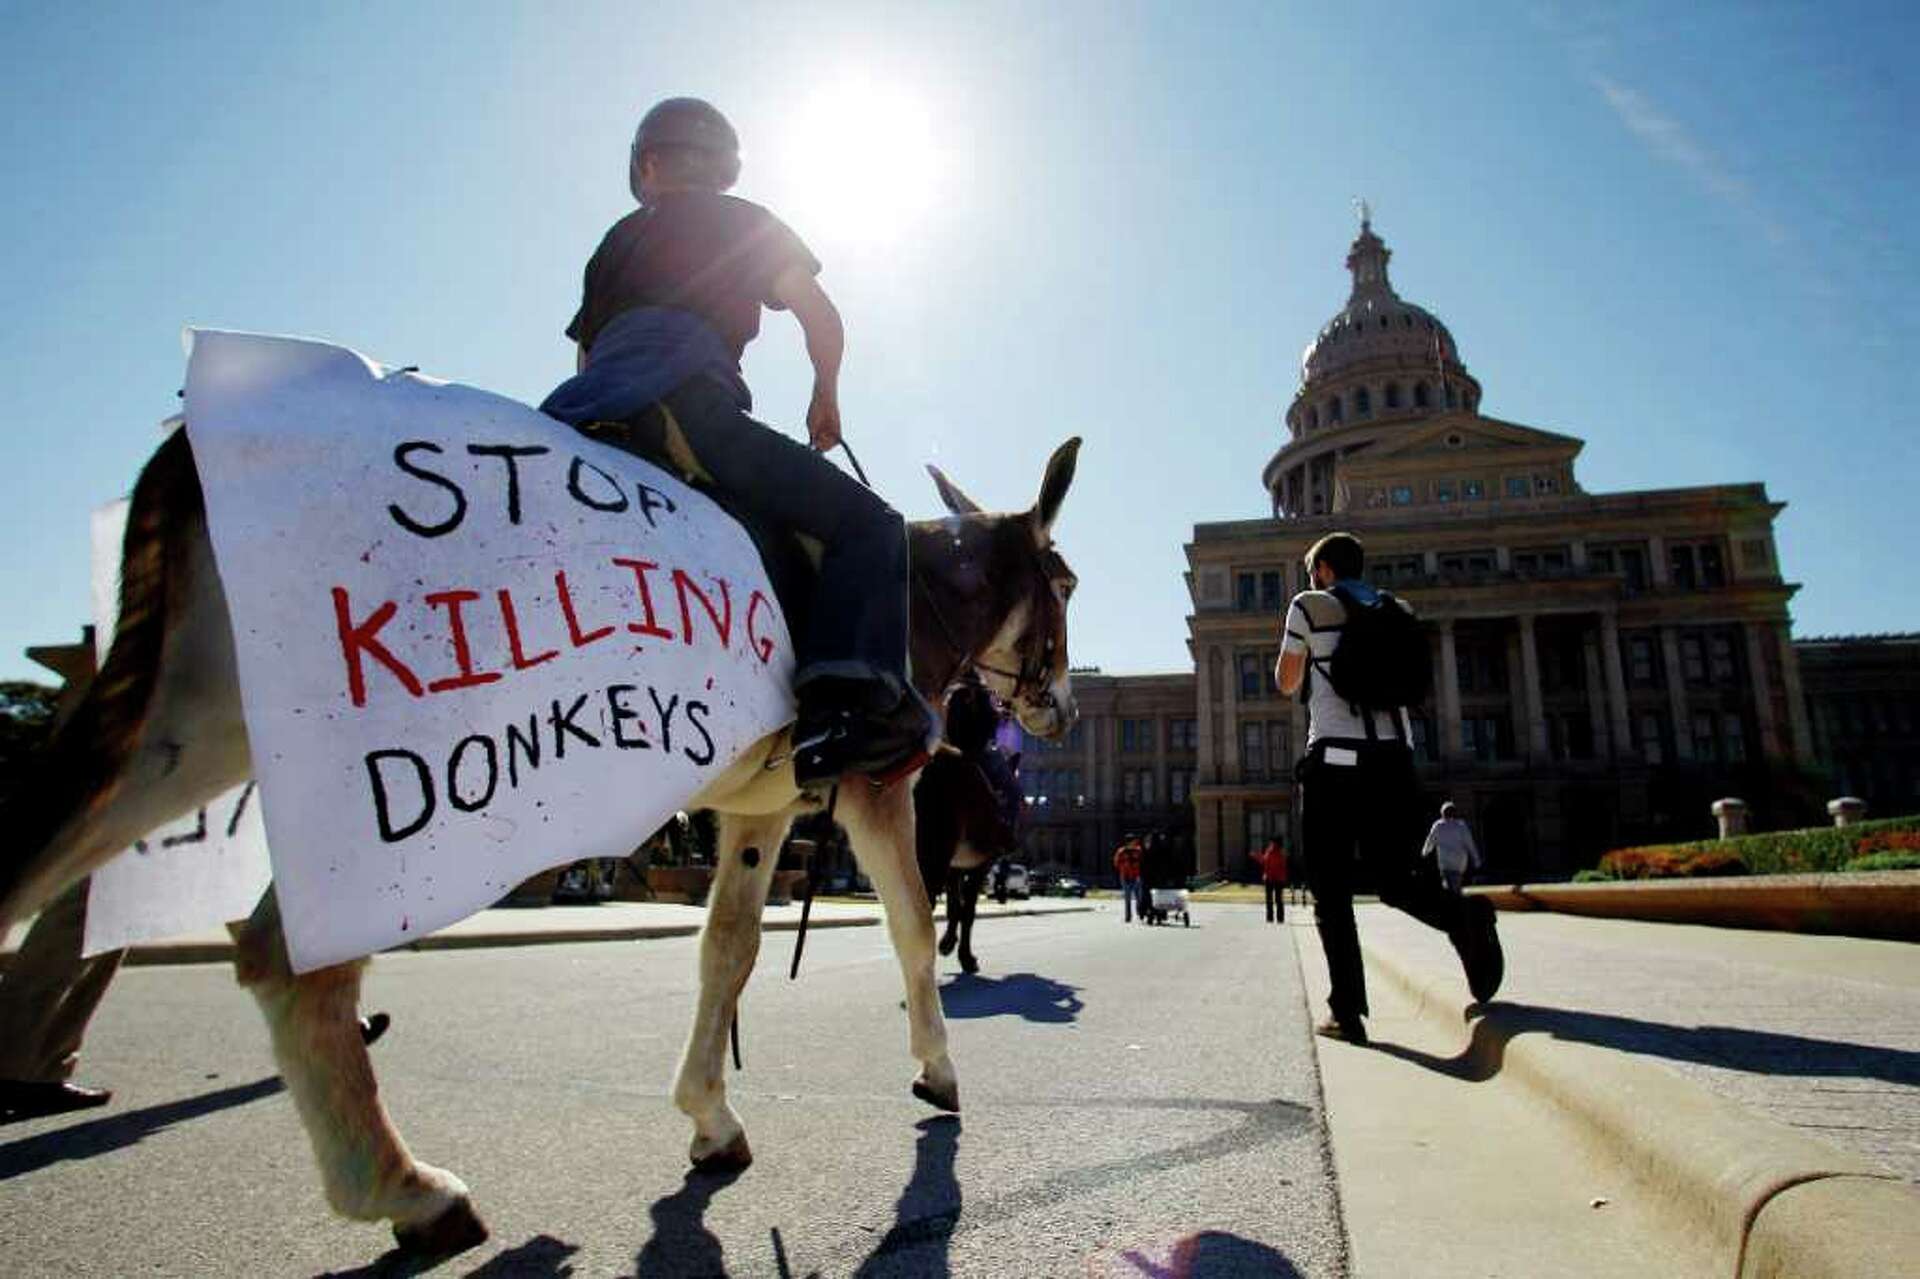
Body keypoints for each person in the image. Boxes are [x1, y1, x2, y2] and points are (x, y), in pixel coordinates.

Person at [540, 97, 932, 787]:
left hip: (576, 418)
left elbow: (586, 359)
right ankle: (837, 713)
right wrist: (826, 394)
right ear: (720, 169)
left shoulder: (614, 243)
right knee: (871, 524)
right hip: (690, 407)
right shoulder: (746, 221)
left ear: (650, 165)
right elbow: (821, 316)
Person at [1275, 531, 1503, 1045]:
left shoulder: (1308, 605)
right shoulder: (1398, 609)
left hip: (1335, 761)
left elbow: (1287, 682)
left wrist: (1308, 656)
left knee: (1331, 890)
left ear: (1326, 570)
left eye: (1314, 572)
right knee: (1396, 881)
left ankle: (1347, 1012)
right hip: (1396, 762)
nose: (1313, 580)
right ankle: (1462, 916)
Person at [1422, 802, 1482, 895]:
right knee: (1456, 885)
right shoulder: (1461, 826)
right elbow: (1470, 844)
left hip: (1444, 861)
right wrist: (1476, 860)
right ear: (1455, 813)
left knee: (1448, 885)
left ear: (1442, 813)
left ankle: (1453, 901)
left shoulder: (1438, 825)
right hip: (1459, 862)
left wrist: (1425, 852)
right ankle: (1456, 900)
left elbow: (1430, 841)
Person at [1252, 837, 1288, 923]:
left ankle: (1270, 918)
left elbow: (1265, 862)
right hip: (1279, 879)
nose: (1270, 844)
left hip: (1271, 878)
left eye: (1271, 842)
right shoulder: (1280, 853)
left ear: (1274, 843)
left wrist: (1255, 856)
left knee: (1269, 899)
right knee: (1278, 899)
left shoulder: (1271, 852)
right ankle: (1280, 918)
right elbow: (1282, 866)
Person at [1112, 834, 1143, 923]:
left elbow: (1142, 862)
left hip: (1136, 876)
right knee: (1127, 898)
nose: (1135, 842)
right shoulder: (1121, 851)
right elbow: (1116, 863)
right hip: (1125, 877)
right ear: (1129, 842)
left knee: (1139, 897)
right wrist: (1123, 869)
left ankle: (1140, 913)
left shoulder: (1138, 850)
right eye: (1133, 841)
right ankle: (1128, 916)